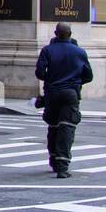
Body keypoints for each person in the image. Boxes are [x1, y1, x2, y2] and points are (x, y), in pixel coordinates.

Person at [35, 23, 94, 178]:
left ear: (56, 33)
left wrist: (52, 79)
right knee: (66, 128)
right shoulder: (80, 52)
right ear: (70, 34)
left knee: (53, 127)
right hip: (70, 93)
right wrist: (75, 81)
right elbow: (88, 76)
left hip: (52, 93)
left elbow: (40, 73)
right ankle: (62, 166)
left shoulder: (47, 50)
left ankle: (54, 160)